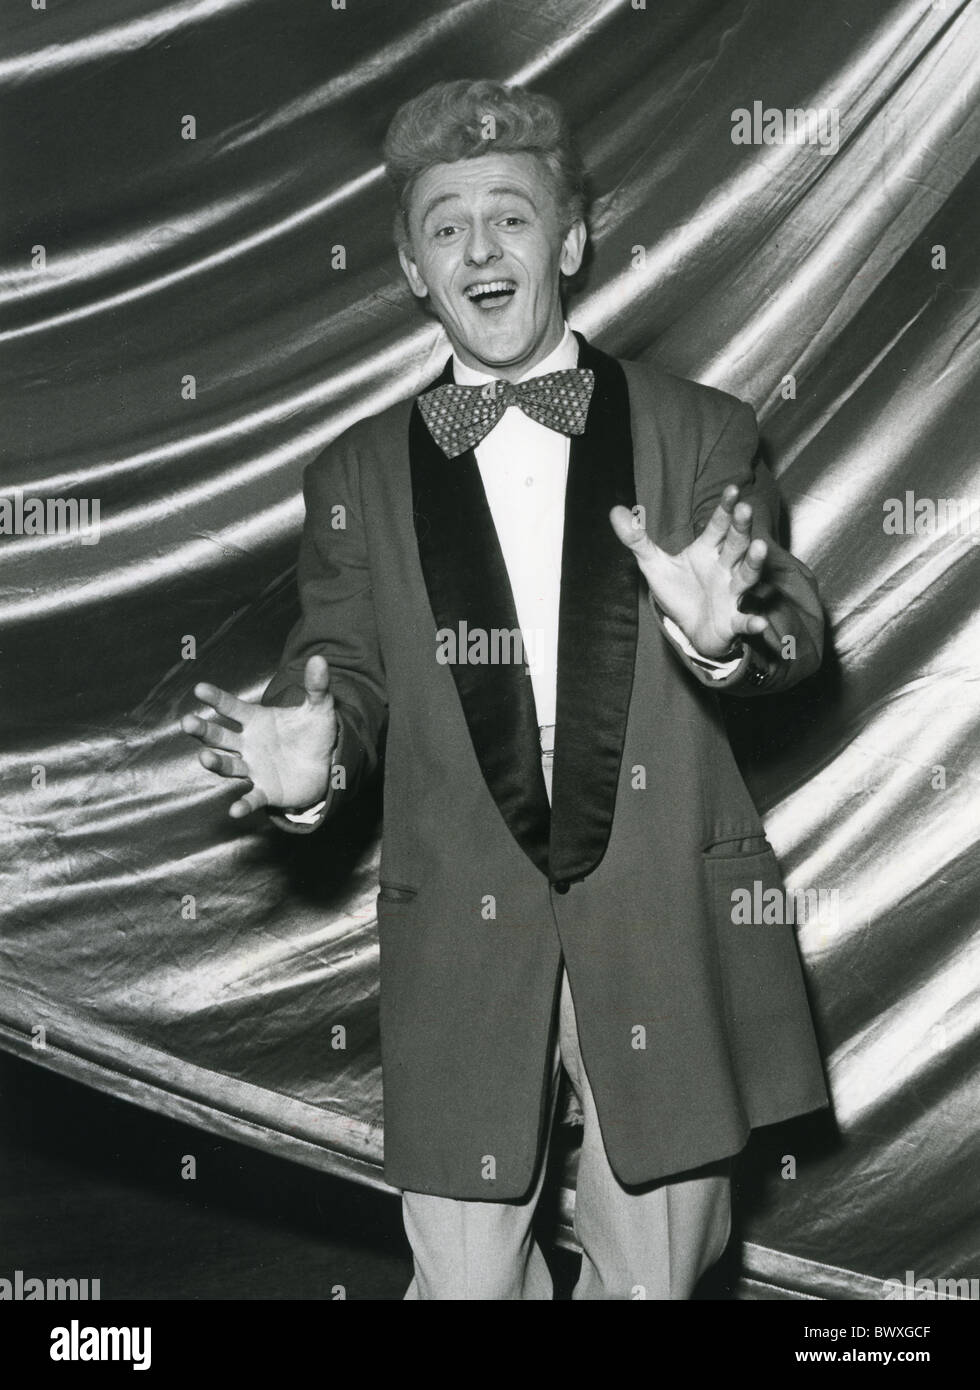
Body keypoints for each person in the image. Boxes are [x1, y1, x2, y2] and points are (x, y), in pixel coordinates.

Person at [183, 78, 828, 1300]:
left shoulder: (699, 429)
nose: (479, 247)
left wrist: (723, 630)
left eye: (510, 216)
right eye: (444, 225)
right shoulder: (354, 472)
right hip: (461, 929)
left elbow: (789, 616)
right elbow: (341, 677)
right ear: (414, 270)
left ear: (571, 239)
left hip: (661, 917)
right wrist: (316, 762)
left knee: (657, 1283)